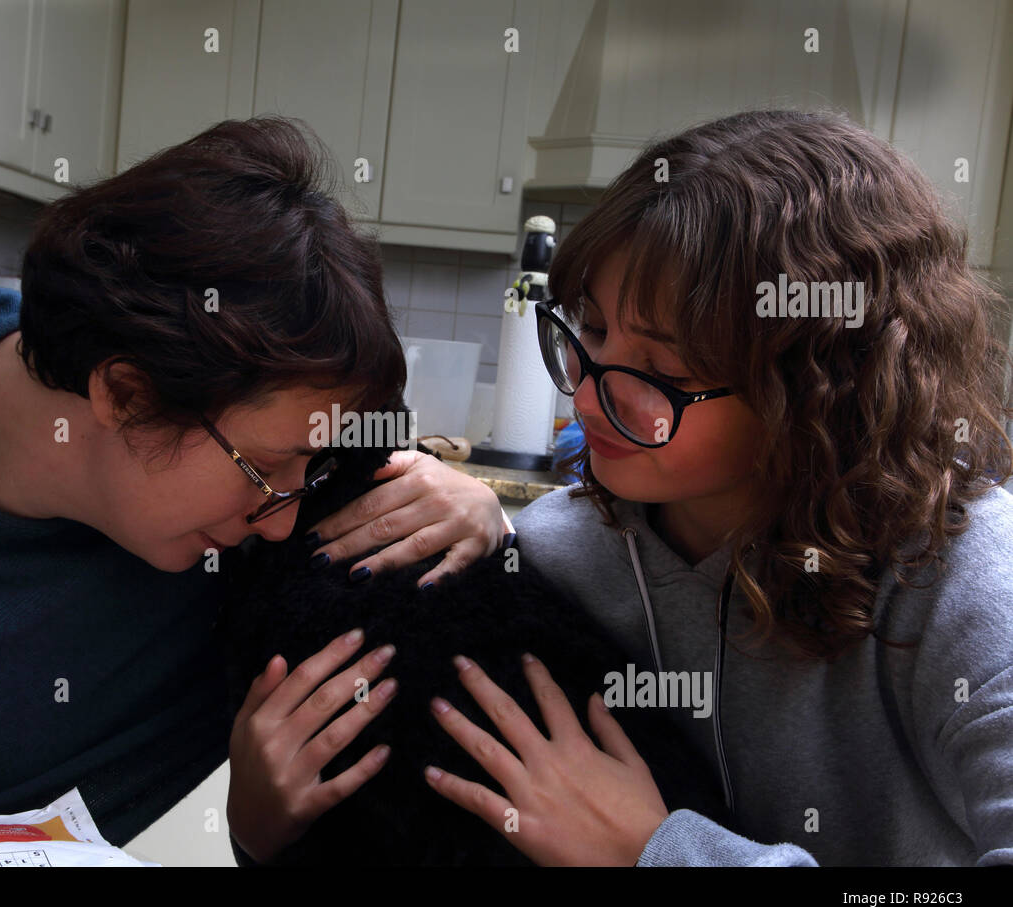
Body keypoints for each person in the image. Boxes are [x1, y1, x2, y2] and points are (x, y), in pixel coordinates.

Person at [0, 116, 509, 849]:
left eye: (311, 471)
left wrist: (492, 523)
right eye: (264, 470)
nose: (278, 519)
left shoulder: (242, 560)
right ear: (125, 394)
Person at [409, 109, 1013, 865]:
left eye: (662, 373)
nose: (589, 398)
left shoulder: (974, 580)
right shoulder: (559, 555)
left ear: (817, 389)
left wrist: (660, 853)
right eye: (590, 334)